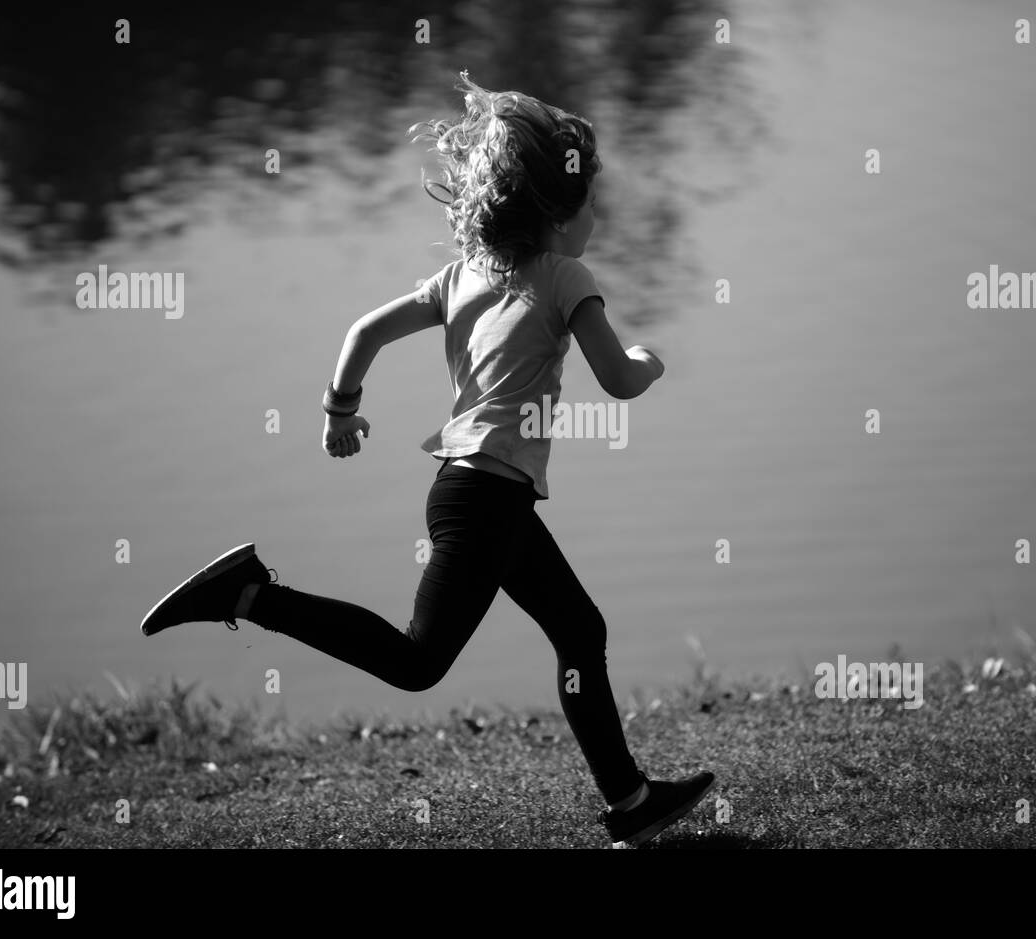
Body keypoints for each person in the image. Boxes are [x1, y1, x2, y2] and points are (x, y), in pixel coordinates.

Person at [139, 70, 714, 847]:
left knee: (580, 630)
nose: (594, 221)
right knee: (417, 662)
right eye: (589, 204)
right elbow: (618, 379)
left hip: (472, 493)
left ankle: (631, 800)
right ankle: (249, 593)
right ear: (555, 212)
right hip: (488, 500)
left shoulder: (461, 277)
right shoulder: (568, 276)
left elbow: (362, 333)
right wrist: (650, 358)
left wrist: (341, 410)